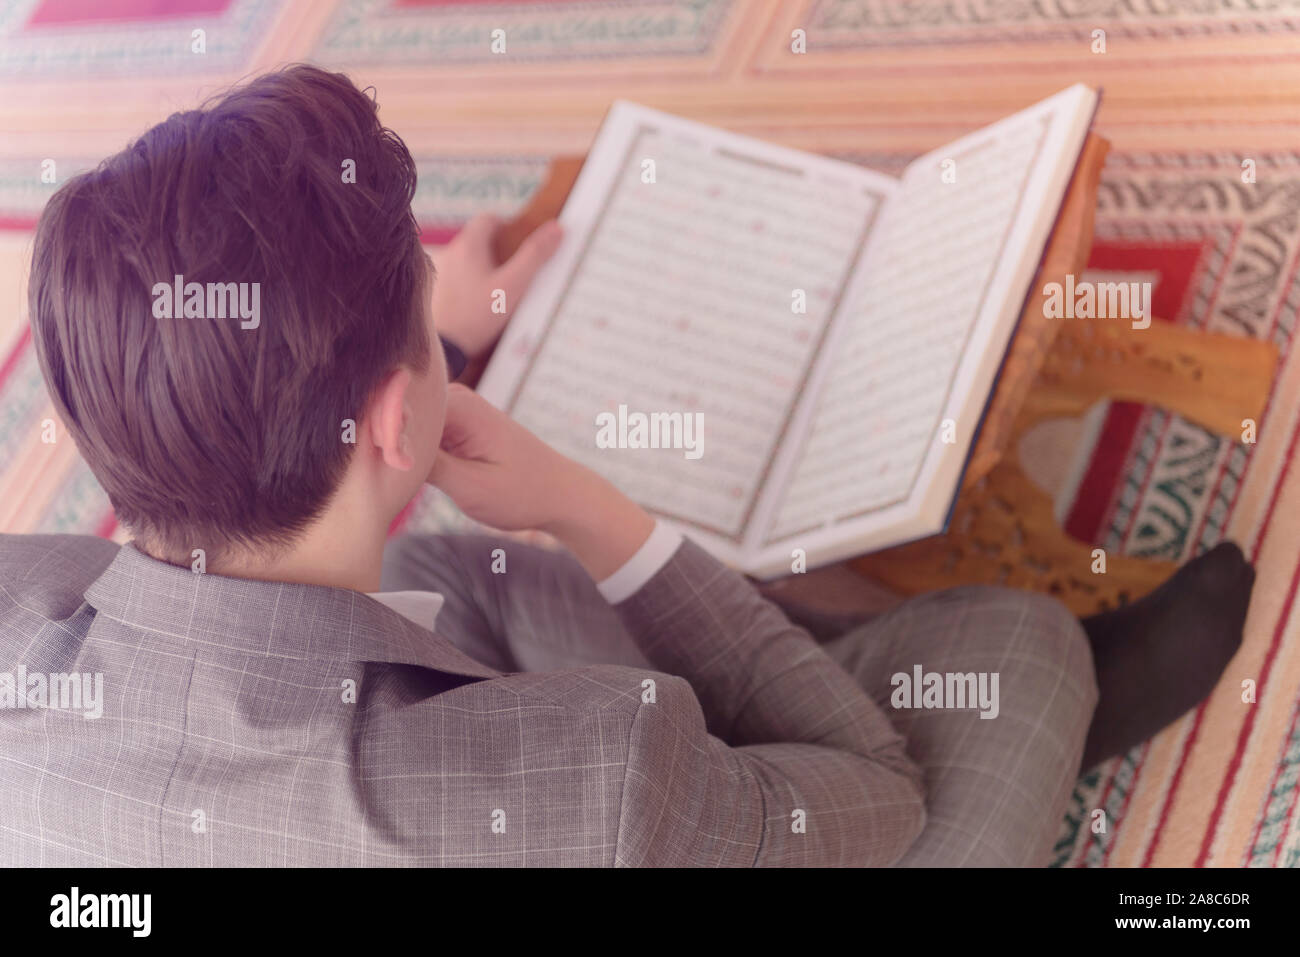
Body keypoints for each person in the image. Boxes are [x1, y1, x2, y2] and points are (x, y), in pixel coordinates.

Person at [2, 64, 1253, 867]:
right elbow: (875, 790)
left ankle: (782, 687)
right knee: (1013, 661)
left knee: (450, 573)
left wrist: (428, 345)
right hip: (658, 814)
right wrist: (592, 514)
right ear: (397, 427)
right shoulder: (602, 784)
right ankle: (1058, 693)